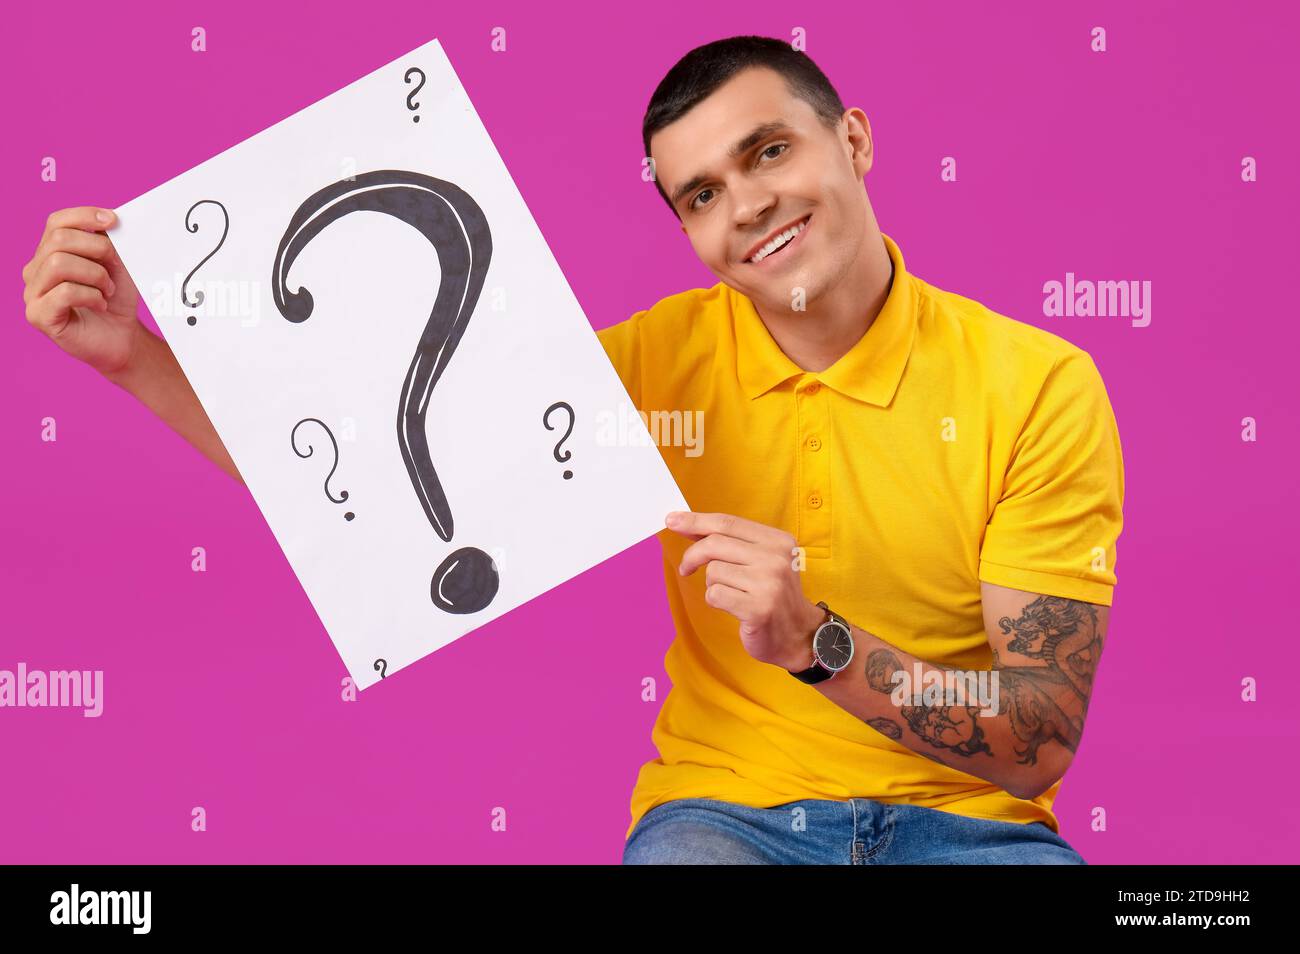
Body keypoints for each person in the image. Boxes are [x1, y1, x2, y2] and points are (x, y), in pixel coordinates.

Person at [21, 35, 1123, 865]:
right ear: (686, 230)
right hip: (724, 820)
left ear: (855, 140)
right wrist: (135, 360)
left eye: (768, 151)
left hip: (973, 833)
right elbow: (367, 487)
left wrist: (816, 643)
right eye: (701, 193)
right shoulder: (643, 373)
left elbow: (1034, 744)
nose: (747, 206)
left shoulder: (1036, 388)